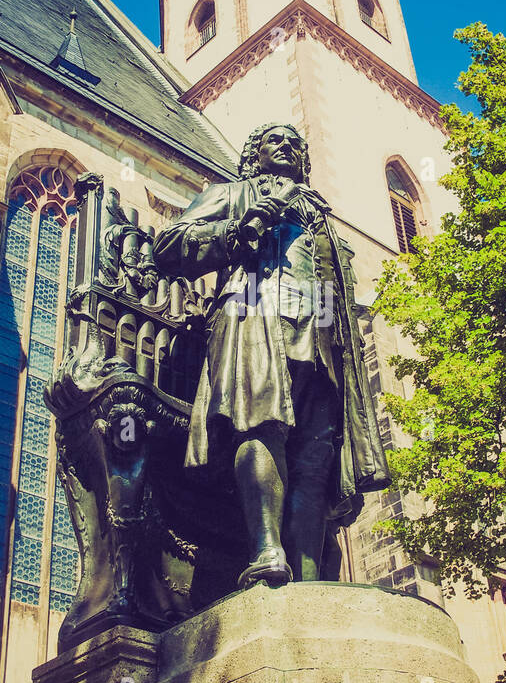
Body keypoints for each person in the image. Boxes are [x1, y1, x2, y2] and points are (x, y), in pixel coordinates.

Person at [153, 122, 388, 588]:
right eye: (273, 140)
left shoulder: (320, 217)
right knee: (260, 421)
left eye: (295, 143)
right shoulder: (232, 193)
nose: (286, 147)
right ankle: (266, 550)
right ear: (253, 154)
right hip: (254, 314)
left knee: (317, 452)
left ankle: (307, 574)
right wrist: (238, 230)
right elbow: (169, 246)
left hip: (322, 334)